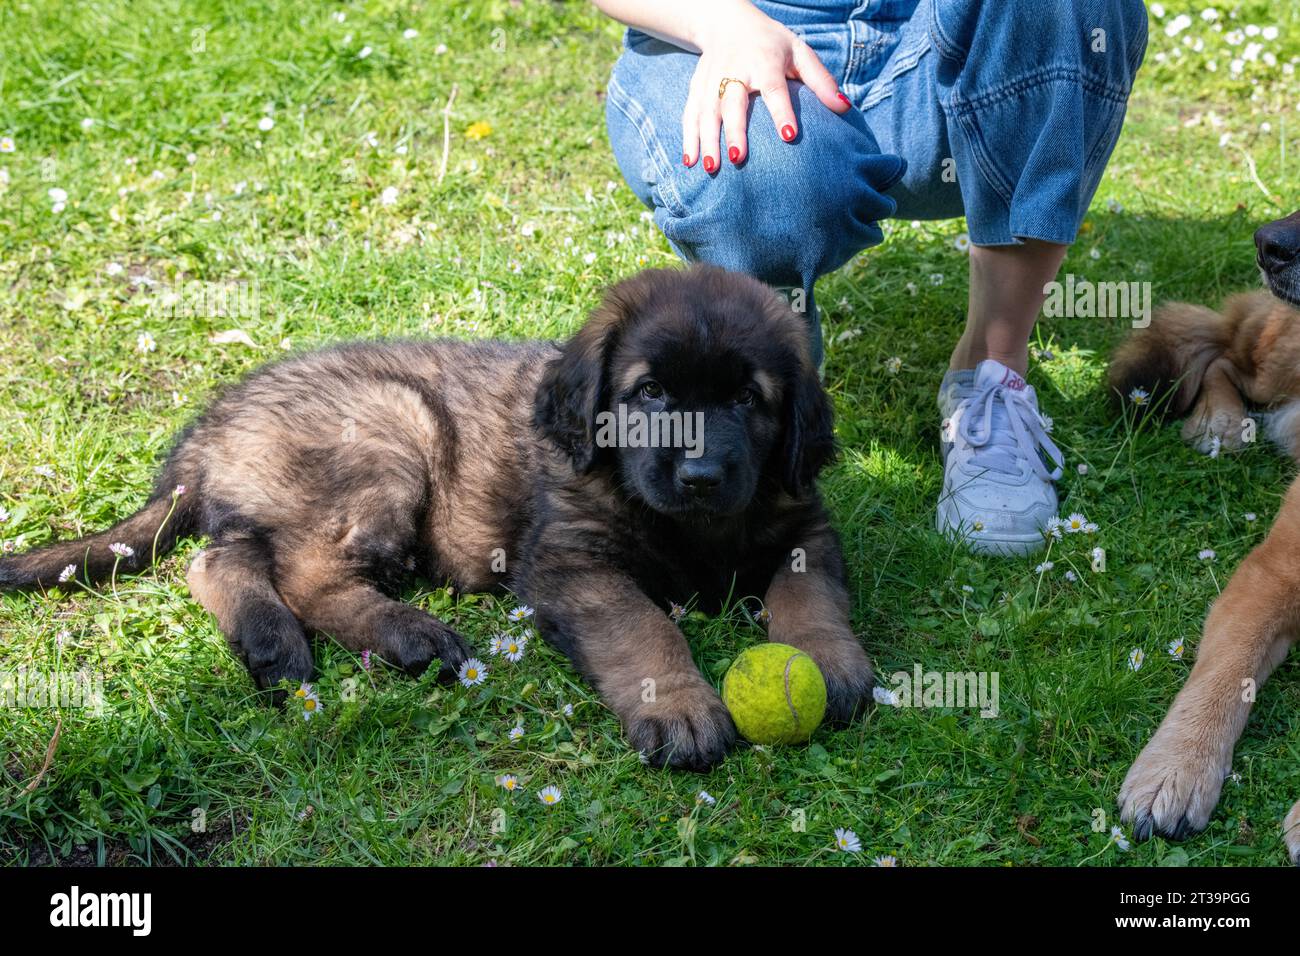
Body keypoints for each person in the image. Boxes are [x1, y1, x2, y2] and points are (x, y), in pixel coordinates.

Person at [593, 0, 1148, 556]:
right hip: (720, 39)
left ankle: (992, 373)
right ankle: (761, 409)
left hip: (933, 52)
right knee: (770, 188)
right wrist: (724, 24)